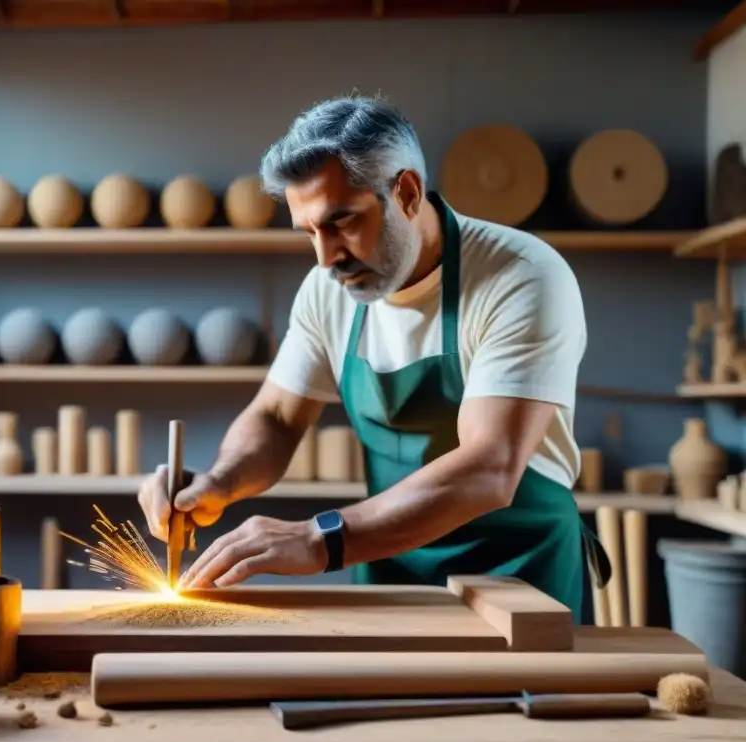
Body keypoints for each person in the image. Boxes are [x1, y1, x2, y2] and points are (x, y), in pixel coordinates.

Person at [137, 95, 609, 616]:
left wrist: (321, 540)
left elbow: (488, 468)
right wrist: (218, 481)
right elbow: (276, 416)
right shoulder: (326, 290)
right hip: (388, 560)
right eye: (310, 232)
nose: (326, 257)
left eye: (341, 222)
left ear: (406, 192)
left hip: (519, 573)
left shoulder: (521, 276)